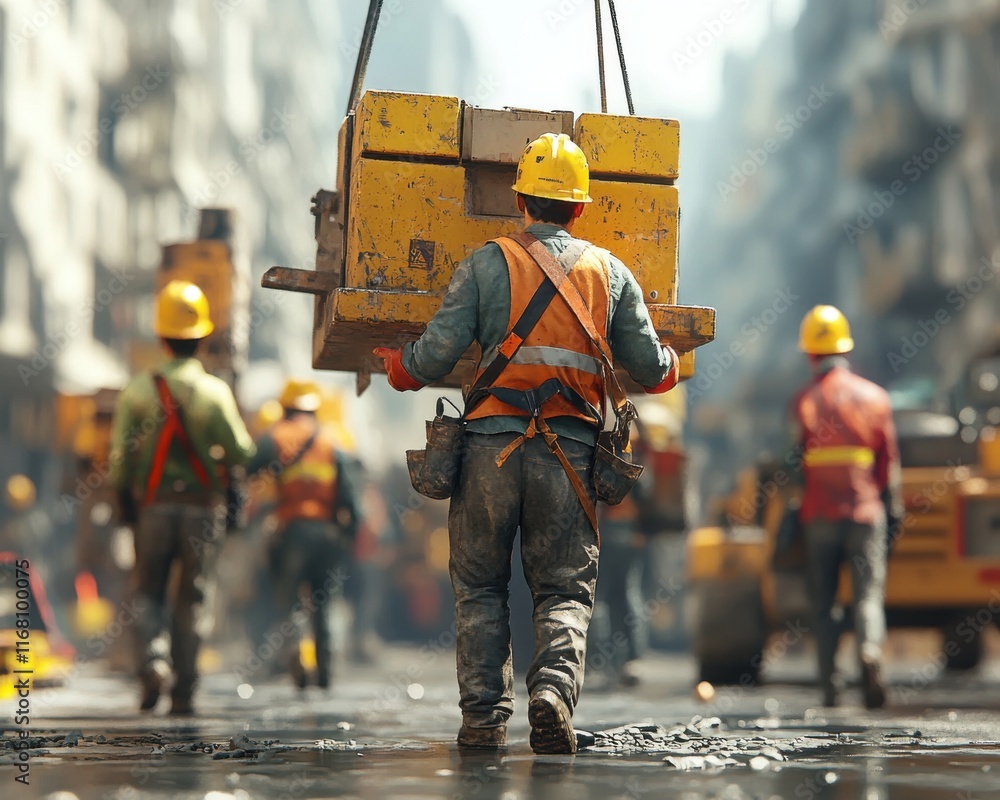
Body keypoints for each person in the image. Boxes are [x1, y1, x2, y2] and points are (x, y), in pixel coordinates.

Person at [374, 133, 679, 753]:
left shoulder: (485, 264)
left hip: (490, 451)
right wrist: (673, 358)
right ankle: (551, 694)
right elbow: (653, 370)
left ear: (520, 200)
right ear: (582, 208)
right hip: (568, 461)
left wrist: (399, 367)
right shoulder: (609, 272)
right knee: (564, 589)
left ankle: (484, 719)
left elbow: (432, 356)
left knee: (481, 588)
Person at [110, 280, 255, 714]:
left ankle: (153, 663)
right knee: (192, 596)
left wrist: (127, 505)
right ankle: (185, 689)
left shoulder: (137, 391)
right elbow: (242, 452)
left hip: (153, 509)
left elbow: (119, 462)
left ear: (160, 336)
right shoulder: (214, 392)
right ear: (204, 336)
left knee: (147, 593)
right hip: (200, 512)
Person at [791, 305, 902, 709]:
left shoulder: (804, 401)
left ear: (810, 354)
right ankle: (869, 653)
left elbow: (794, 462)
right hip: (864, 513)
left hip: (819, 515)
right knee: (868, 597)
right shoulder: (875, 398)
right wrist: (894, 510)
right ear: (845, 348)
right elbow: (888, 463)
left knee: (823, 604)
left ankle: (830, 686)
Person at [246, 379, 360, 690]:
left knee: (292, 601)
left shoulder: (276, 435)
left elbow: (249, 467)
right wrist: (347, 534)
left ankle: (297, 652)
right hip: (327, 532)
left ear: (284, 407)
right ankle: (326, 674)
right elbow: (350, 494)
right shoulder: (334, 440)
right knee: (324, 603)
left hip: (292, 530)